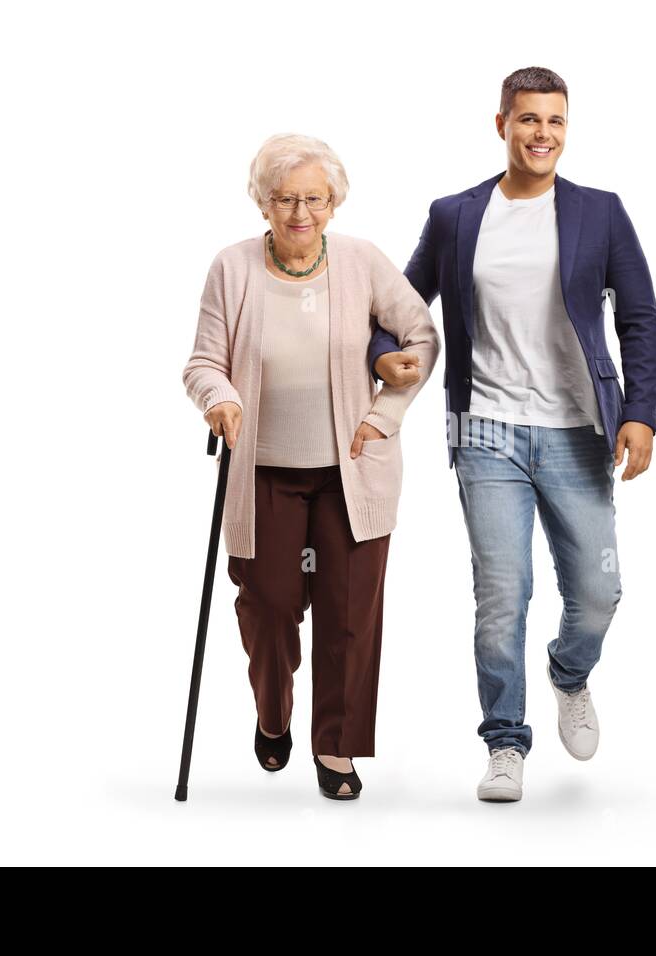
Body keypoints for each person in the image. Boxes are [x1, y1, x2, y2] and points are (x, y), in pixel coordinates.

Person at [369, 67, 656, 802]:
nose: (542, 135)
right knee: (503, 593)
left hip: (578, 432)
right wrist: (382, 355)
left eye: (555, 121)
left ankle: (569, 674)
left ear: (568, 129)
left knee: (598, 591)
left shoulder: (601, 212)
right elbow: (403, 306)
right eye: (528, 119)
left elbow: (639, 318)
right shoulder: (456, 214)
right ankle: (505, 742)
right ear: (500, 124)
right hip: (486, 430)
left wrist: (641, 412)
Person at [183, 133, 439, 800]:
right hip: (263, 469)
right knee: (267, 603)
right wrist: (221, 397)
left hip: (352, 470)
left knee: (349, 612)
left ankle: (337, 749)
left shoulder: (361, 262)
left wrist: (384, 412)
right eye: (286, 198)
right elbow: (203, 362)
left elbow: (420, 335)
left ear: (335, 201)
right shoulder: (232, 268)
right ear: (263, 203)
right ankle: (274, 710)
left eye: (314, 199)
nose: (301, 212)